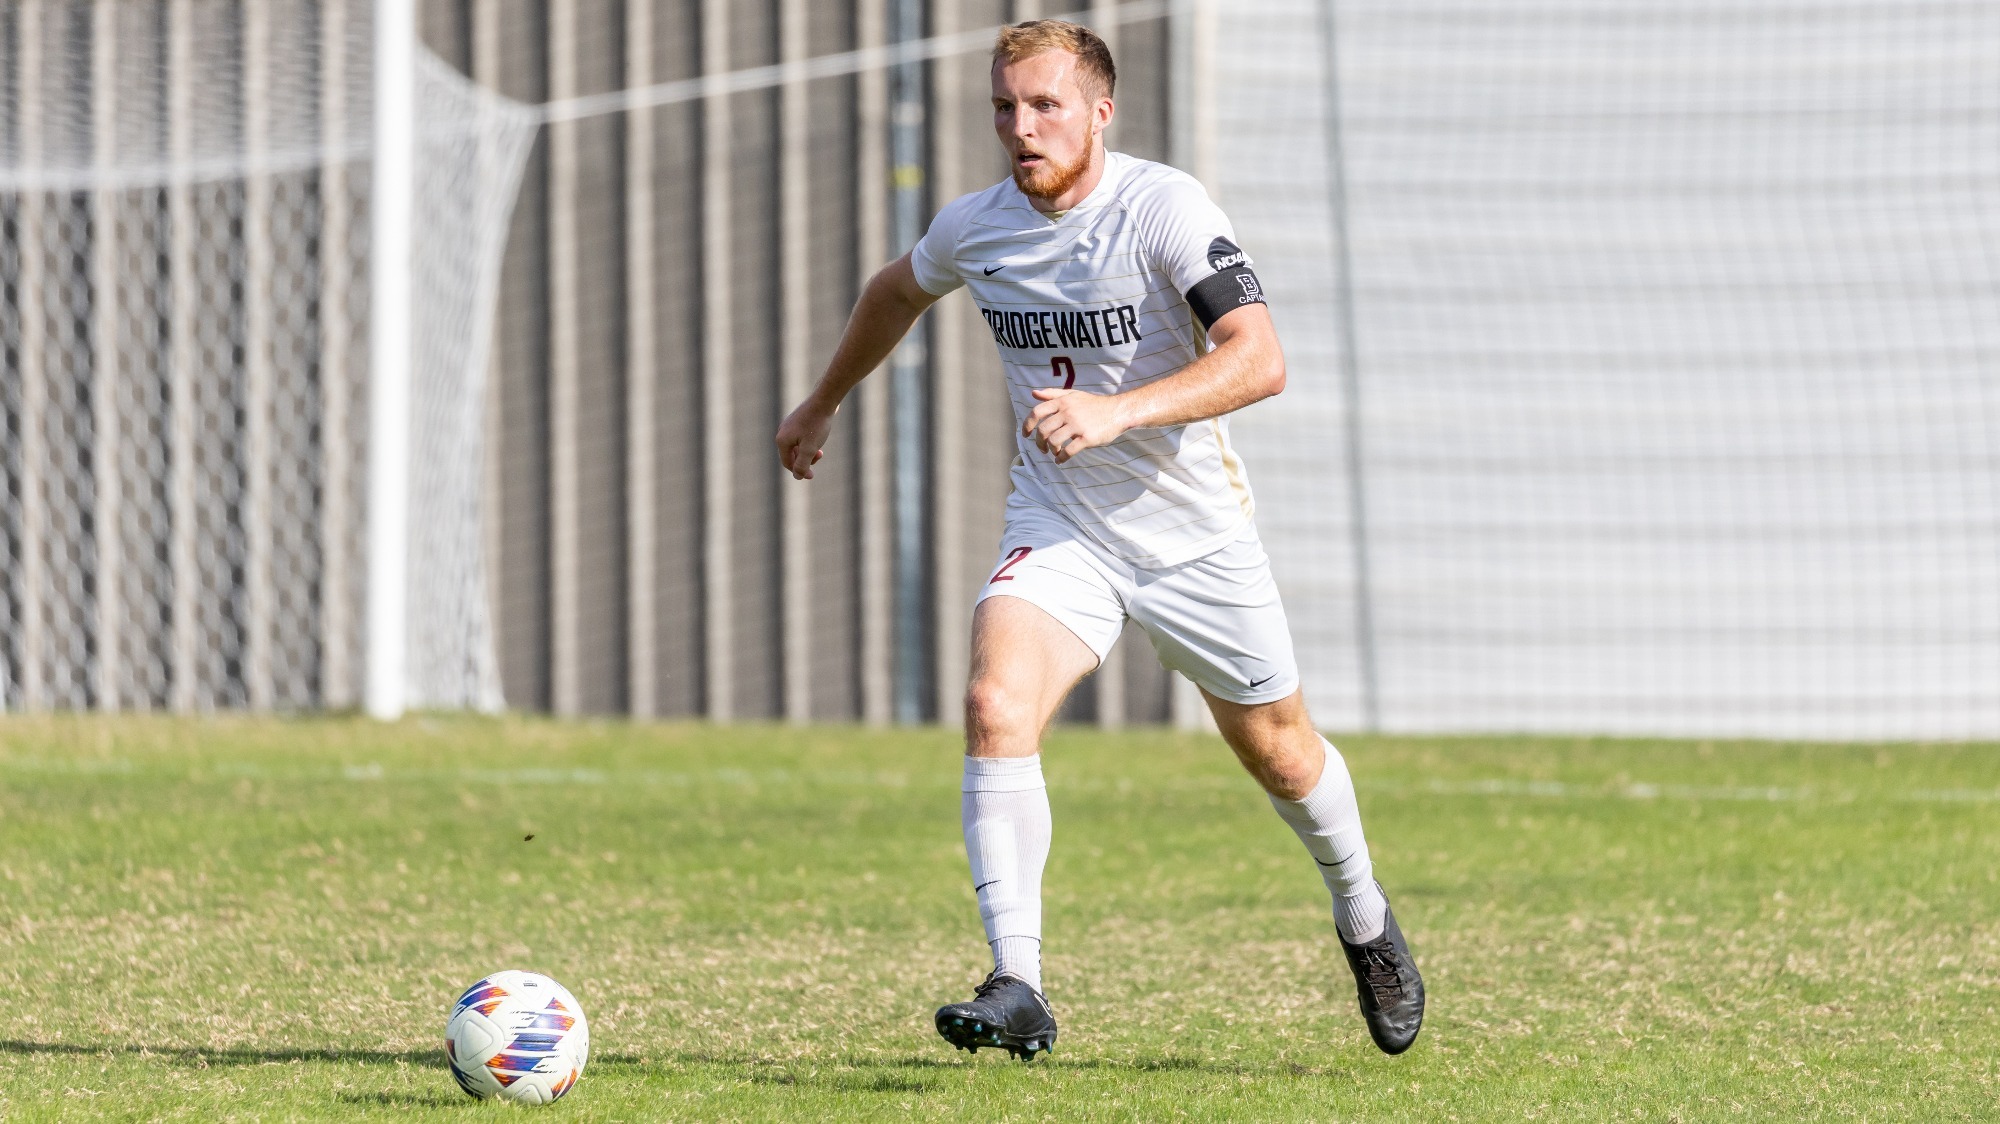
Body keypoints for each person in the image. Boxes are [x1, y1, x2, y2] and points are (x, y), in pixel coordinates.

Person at [774, 18, 1423, 1060]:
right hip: (1060, 521)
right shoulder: (976, 226)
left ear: (1100, 112)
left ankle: (1362, 913)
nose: (1020, 128)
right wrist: (822, 401)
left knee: (1281, 752)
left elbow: (1258, 358)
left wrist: (1119, 411)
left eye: (1045, 105)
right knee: (995, 705)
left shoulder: (1163, 209)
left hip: (1193, 537)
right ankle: (1018, 981)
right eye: (1004, 107)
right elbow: (895, 290)